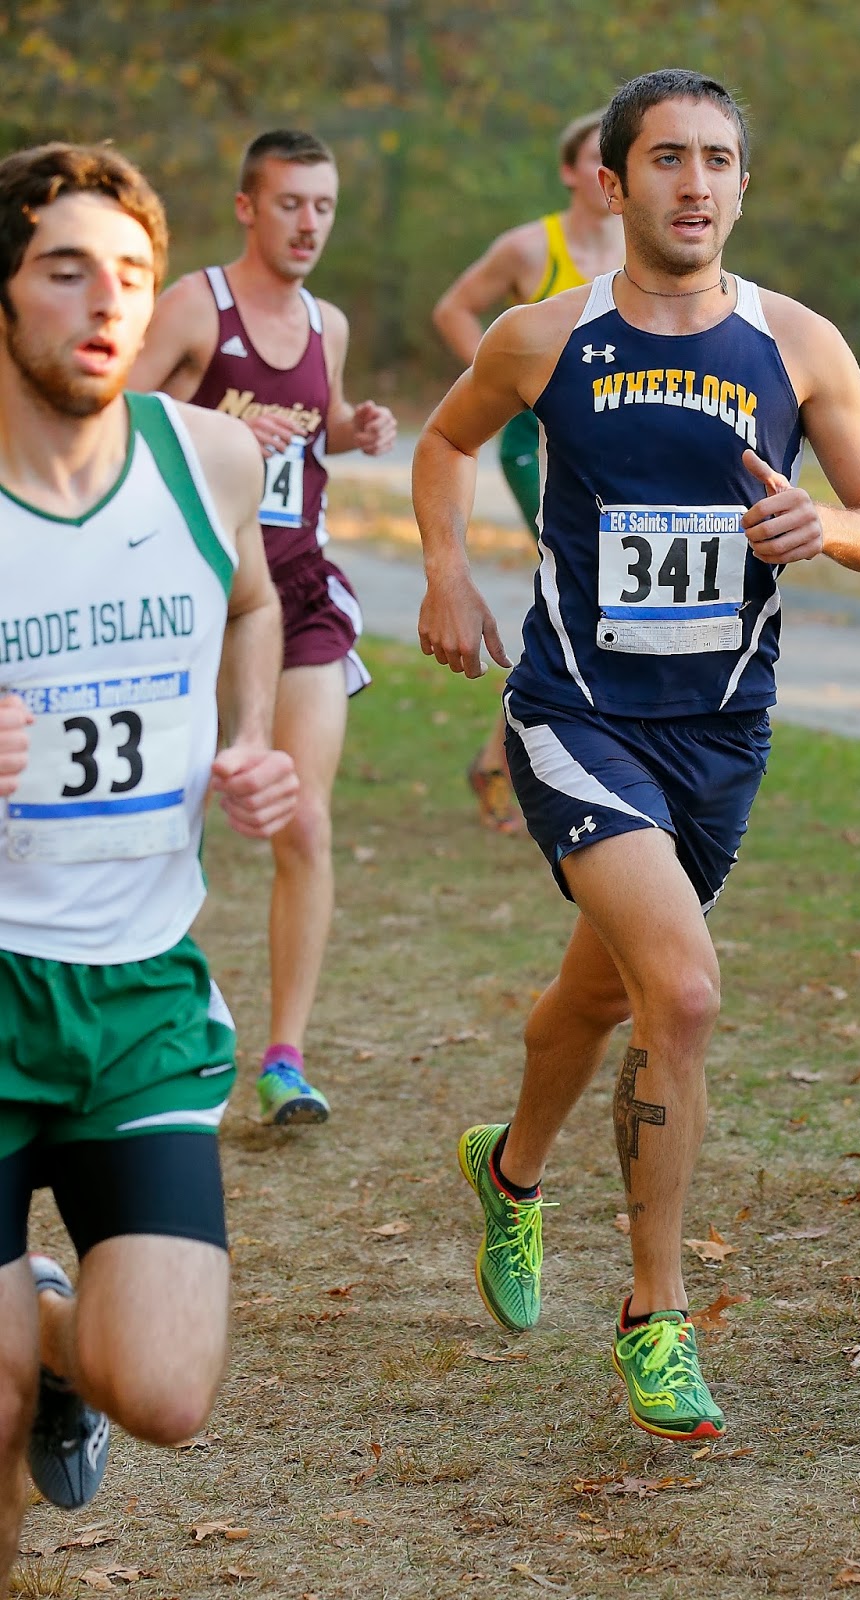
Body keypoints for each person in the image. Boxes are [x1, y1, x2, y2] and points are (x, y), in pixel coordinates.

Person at [413, 69, 860, 1440]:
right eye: (665, 159)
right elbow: (445, 441)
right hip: (575, 718)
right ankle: (655, 1312)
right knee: (681, 995)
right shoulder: (543, 334)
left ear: (742, 185)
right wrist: (446, 571)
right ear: (613, 182)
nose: (694, 183)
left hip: (721, 736)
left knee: (597, 996)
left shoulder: (797, 344)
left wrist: (827, 528)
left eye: (716, 160)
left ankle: (508, 1172)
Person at [0, 141, 299, 1586]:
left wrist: (249, 736)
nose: (106, 302)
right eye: (65, 271)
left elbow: (251, 602)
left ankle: (57, 1338)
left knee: (165, 1392)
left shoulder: (209, 458)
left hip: (138, 996)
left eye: (128, 273)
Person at [130, 130, 396, 1126]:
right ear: (248, 207)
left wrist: (354, 429)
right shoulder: (195, 306)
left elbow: (319, 422)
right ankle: (154, 1017)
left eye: (323, 206)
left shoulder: (329, 323)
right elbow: (110, 411)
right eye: (290, 203)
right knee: (169, 817)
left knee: (304, 817)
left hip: (301, 591)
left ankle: (286, 1057)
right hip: (196, 590)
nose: (308, 224)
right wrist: (222, 431)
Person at [432, 112, 623, 834]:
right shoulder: (530, 247)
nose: (608, 169)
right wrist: (500, 379)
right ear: (572, 171)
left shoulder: (642, 245)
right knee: (584, 585)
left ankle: (506, 754)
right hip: (533, 440)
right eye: (595, 156)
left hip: (610, 441)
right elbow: (454, 309)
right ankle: (521, 752)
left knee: (595, 596)